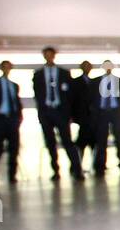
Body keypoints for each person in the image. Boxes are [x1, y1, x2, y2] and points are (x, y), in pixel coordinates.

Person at [31, 46, 84, 182]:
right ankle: (55, 170)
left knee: (67, 141)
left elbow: (71, 95)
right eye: (46, 55)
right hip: (46, 112)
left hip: (61, 112)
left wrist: (69, 112)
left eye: (51, 55)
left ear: (54, 56)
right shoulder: (38, 75)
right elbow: (37, 94)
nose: (49, 57)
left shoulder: (64, 73)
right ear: (44, 56)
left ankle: (77, 169)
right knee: (50, 142)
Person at [92, 60, 120, 178]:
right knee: (101, 141)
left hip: (116, 113)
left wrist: (117, 105)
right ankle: (101, 166)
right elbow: (92, 98)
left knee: (119, 140)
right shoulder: (96, 82)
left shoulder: (119, 81)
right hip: (102, 114)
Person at [72, 60, 99, 166]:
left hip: (93, 118)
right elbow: (72, 100)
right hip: (82, 118)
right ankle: (77, 165)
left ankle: (96, 165)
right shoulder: (75, 82)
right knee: (81, 143)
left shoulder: (95, 83)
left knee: (94, 142)